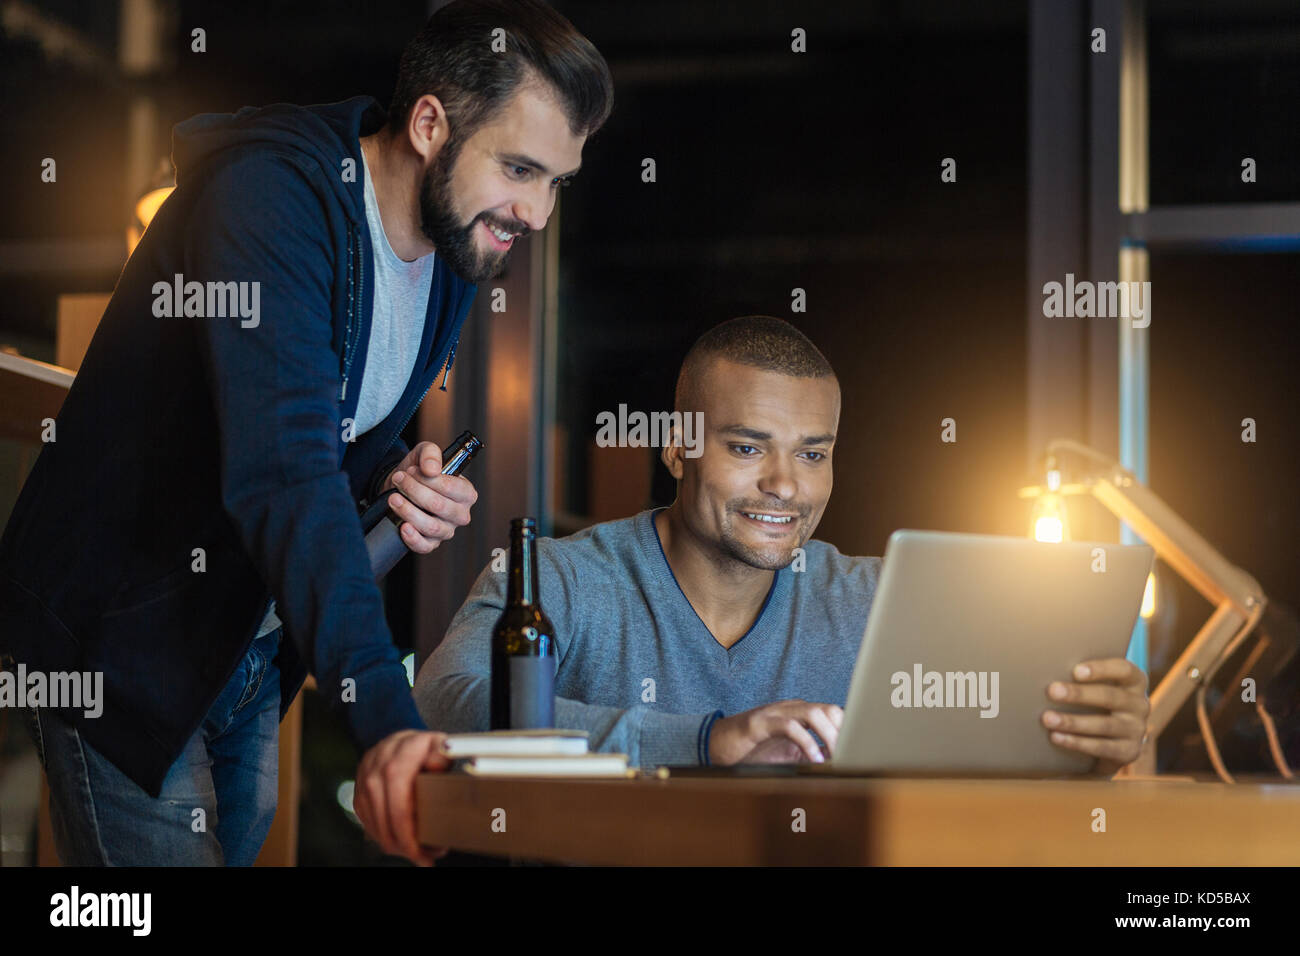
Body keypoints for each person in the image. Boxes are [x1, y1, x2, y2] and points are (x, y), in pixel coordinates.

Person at [0, 0, 612, 866]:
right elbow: (282, 469)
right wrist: (390, 726)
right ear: (431, 123)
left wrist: (395, 472)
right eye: (520, 168)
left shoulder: (454, 243)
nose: (537, 213)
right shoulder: (269, 198)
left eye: (557, 181)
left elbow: (327, 418)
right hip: (123, 642)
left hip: (246, 654)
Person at [414, 316, 1150, 773]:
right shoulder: (560, 578)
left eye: (812, 454)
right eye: (746, 447)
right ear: (678, 449)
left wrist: (1091, 742)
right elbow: (444, 700)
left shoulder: (882, 602)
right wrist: (705, 742)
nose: (785, 486)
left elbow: (999, 751)